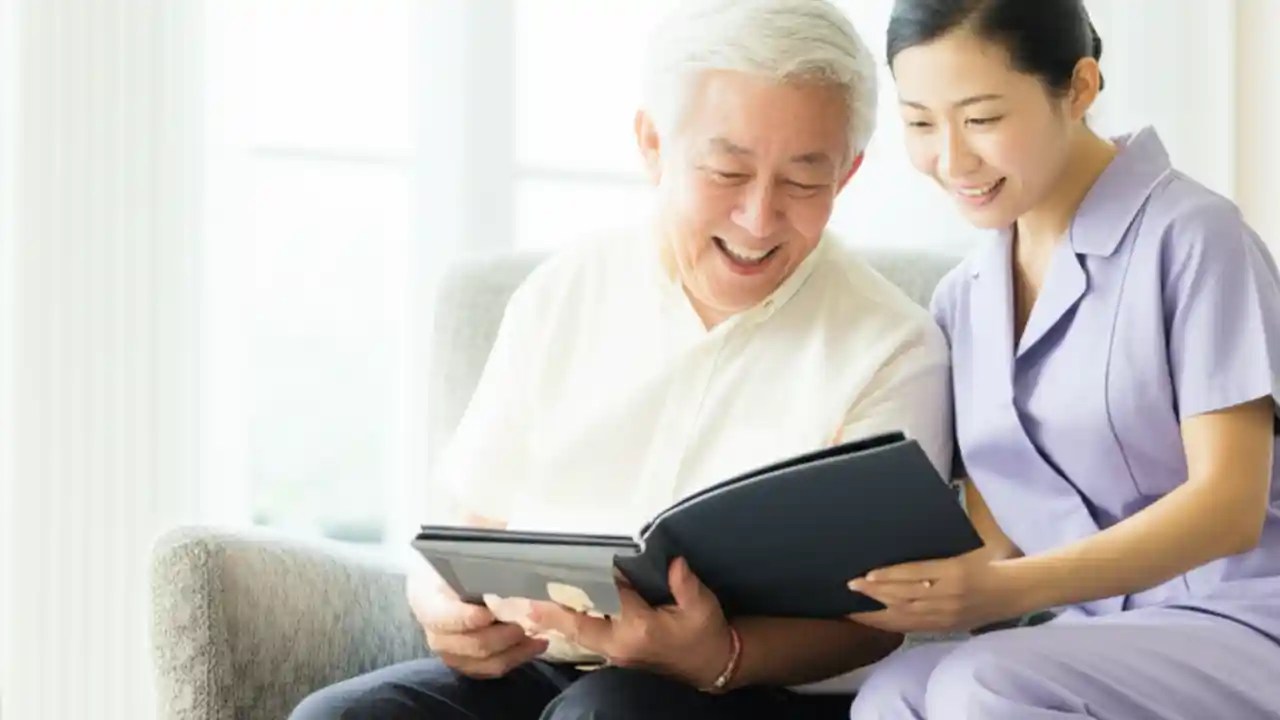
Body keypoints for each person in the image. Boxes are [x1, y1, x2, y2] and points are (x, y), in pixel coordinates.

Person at [289, 2, 953, 719]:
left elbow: (874, 626)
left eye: (802, 182)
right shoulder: (564, 291)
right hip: (550, 670)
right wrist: (442, 607)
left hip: (757, 691)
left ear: (847, 175)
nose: (759, 219)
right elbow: (465, 520)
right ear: (652, 144)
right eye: (726, 171)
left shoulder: (893, 345)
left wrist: (719, 654)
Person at [843, 1, 1280, 718]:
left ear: (1079, 88)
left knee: (979, 686)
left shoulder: (1196, 237)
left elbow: (1229, 507)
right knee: (892, 697)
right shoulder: (964, 299)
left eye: (981, 118)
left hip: (1244, 614)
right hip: (1092, 639)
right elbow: (997, 540)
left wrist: (1006, 593)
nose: (951, 160)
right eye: (921, 123)